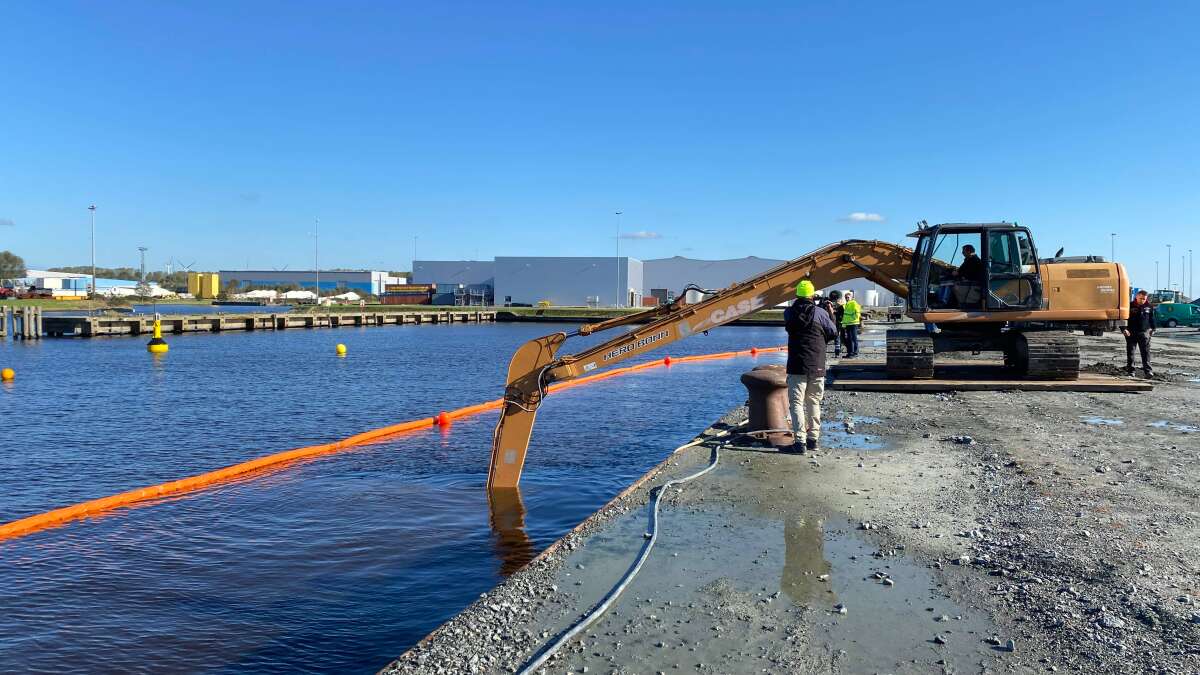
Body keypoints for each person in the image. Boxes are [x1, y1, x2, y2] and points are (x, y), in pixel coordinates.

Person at [784, 279, 838, 453]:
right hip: (817, 364)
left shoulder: (789, 312)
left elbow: (789, 325)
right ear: (813, 295)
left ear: (797, 295)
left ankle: (799, 442)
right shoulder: (820, 313)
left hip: (796, 365)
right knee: (814, 401)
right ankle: (813, 439)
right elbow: (833, 333)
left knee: (796, 403)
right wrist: (831, 314)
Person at [1123, 290, 1155, 377]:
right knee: (1131, 353)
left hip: (1144, 333)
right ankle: (1131, 371)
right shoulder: (1129, 306)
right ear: (1136, 296)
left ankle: (1148, 371)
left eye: (1144, 299)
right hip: (1131, 332)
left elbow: (1152, 319)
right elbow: (1123, 318)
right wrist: (1124, 329)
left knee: (1145, 352)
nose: (1142, 300)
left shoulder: (1149, 307)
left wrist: (1153, 329)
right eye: (1140, 298)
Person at [841, 291, 862, 358]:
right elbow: (846, 315)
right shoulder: (847, 304)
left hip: (853, 323)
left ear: (851, 297)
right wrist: (844, 325)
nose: (847, 298)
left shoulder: (853, 303)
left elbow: (857, 312)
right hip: (849, 324)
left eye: (848, 297)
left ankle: (855, 353)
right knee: (850, 339)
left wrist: (854, 318)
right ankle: (850, 352)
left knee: (853, 338)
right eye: (846, 297)